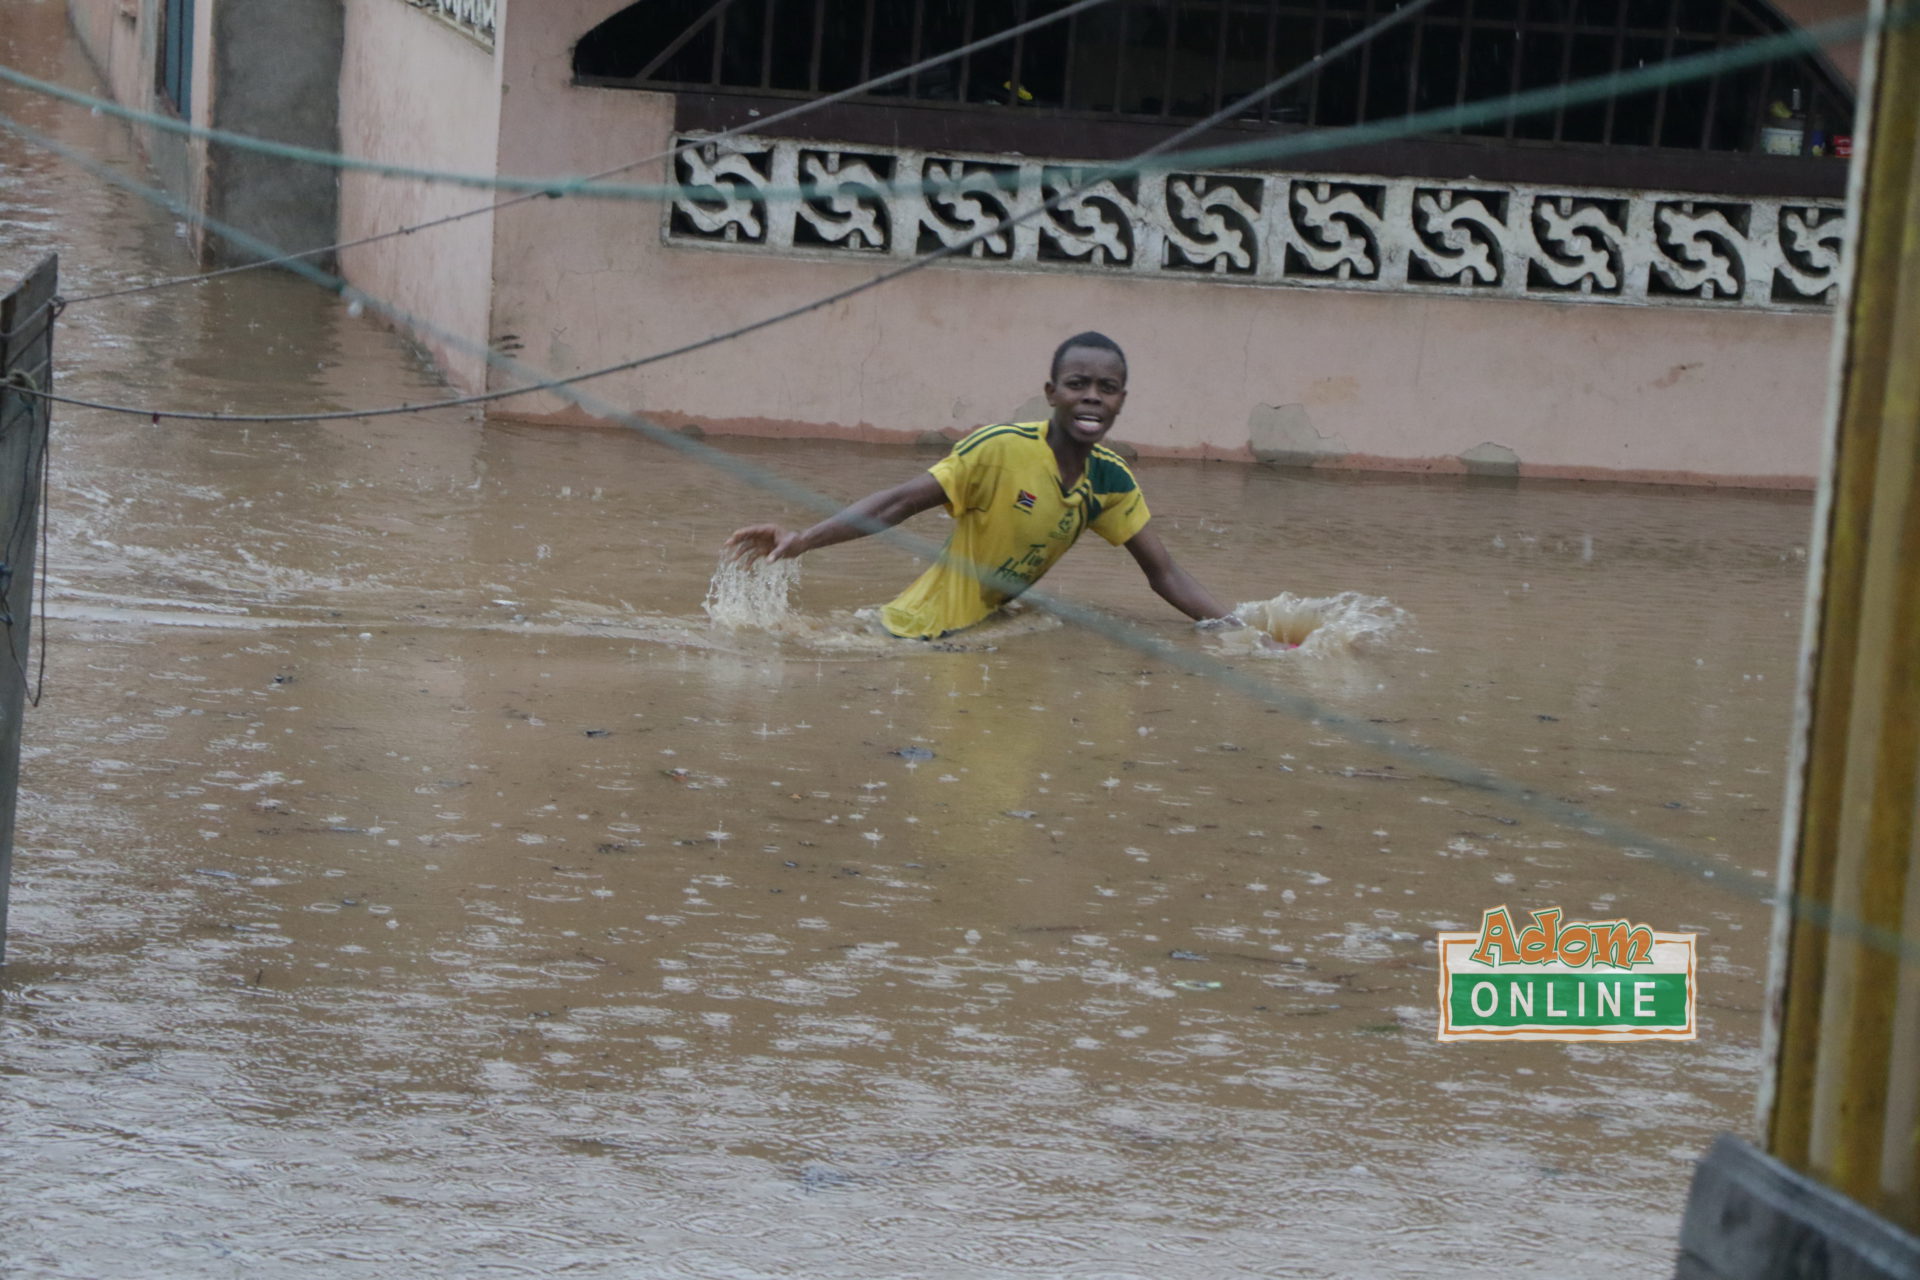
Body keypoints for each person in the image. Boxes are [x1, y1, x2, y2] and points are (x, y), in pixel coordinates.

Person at [724, 331, 1241, 641]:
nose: (1091, 398)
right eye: (1077, 384)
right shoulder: (1000, 449)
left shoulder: (1111, 482)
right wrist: (803, 541)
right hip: (916, 632)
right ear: (1051, 393)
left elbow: (1164, 572)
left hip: (978, 630)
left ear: (1121, 401)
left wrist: (1239, 633)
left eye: (1106, 389)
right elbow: (898, 503)